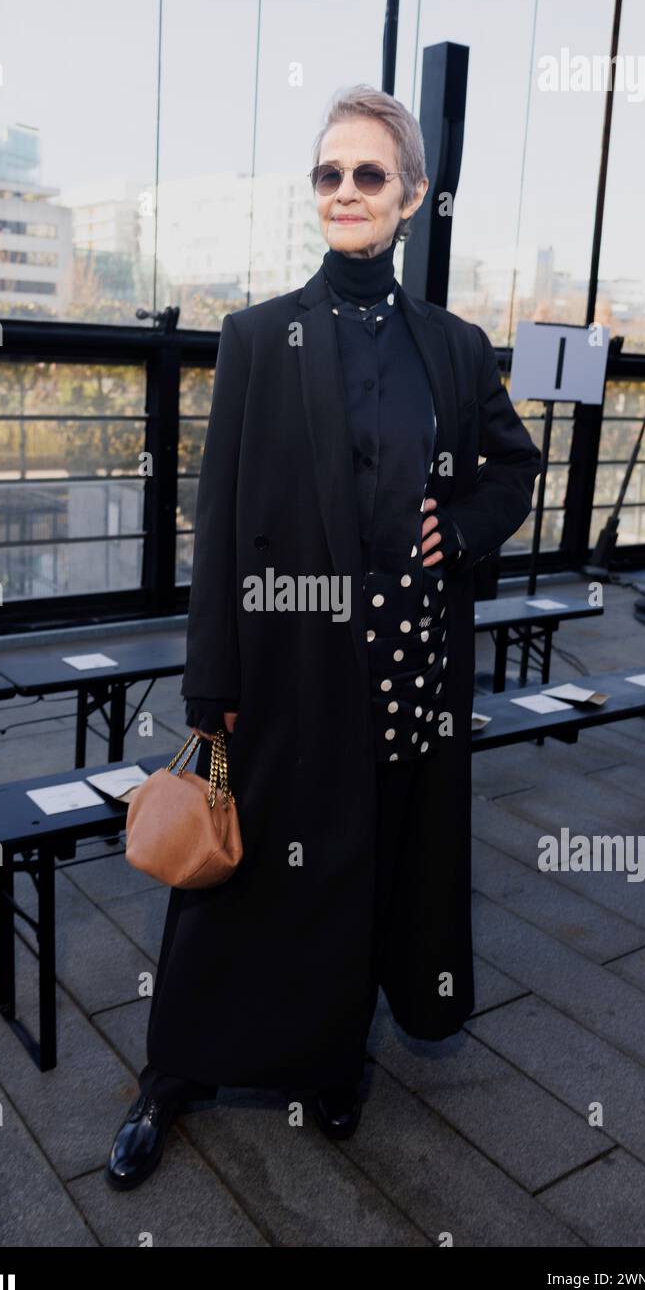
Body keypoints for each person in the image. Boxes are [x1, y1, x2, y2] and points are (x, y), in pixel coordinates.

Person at [106, 83, 541, 1191]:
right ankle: (172, 1076)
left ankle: (333, 1064)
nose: (345, 191)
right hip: (289, 665)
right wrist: (212, 687)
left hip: (404, 668)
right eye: (328, 174)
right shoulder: (258, 337)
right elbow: (218, 523)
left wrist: (465, 529)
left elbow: (513, 468)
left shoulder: (452, 345)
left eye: (369, 175)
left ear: (411, 197)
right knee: (230, 880)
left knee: (361, 873)